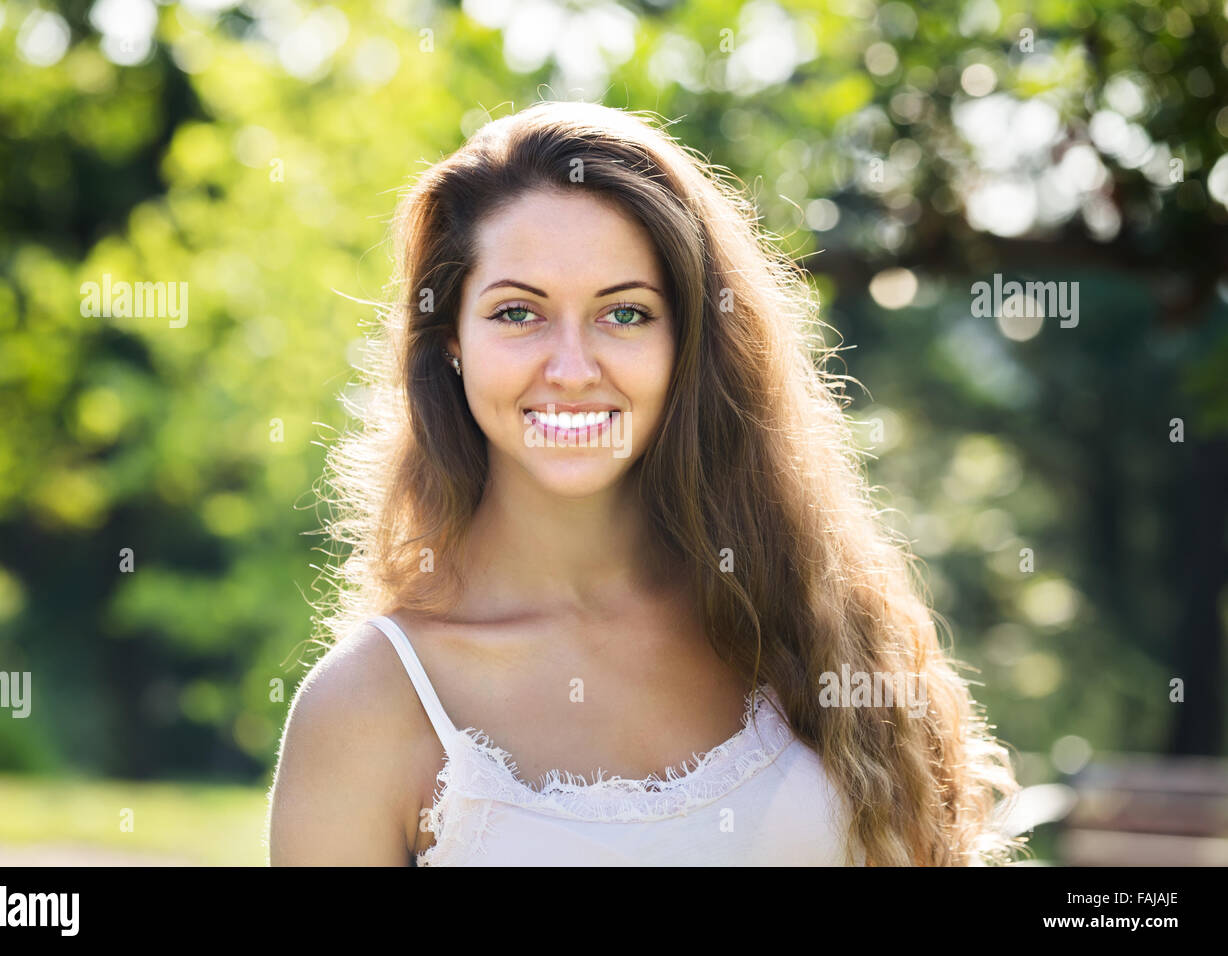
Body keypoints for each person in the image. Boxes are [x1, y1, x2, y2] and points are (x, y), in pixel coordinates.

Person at [267, 100, 1025, 866]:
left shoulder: (812, 620)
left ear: (691, 341)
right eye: (518, 313)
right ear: (451, 343)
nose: (571, 369)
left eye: (625, 313)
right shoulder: (367, 706)